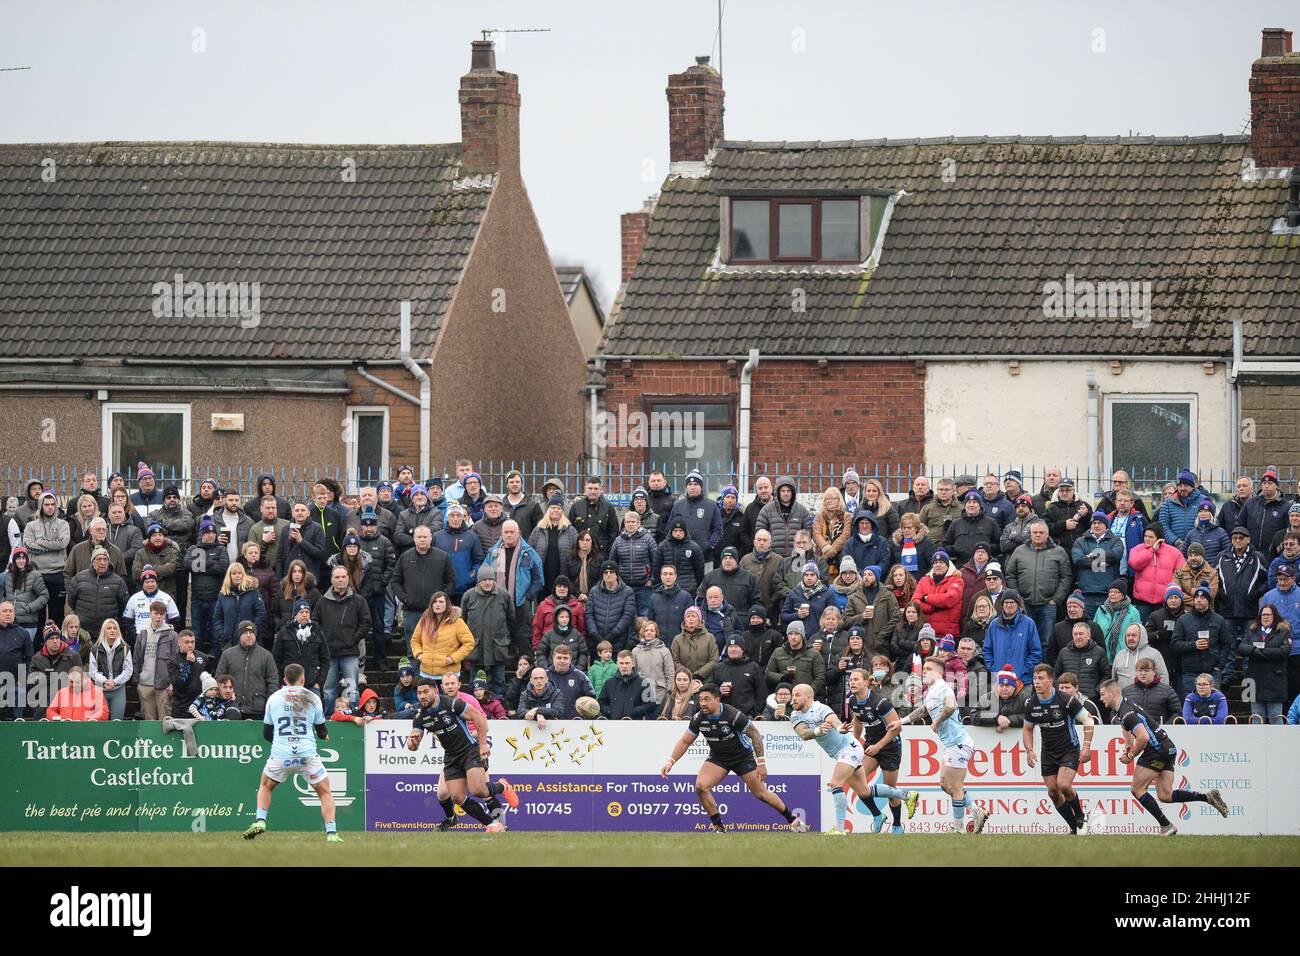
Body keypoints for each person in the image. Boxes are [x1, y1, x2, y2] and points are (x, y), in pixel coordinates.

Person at [660, 684, 810, 833]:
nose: (703, 703)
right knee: (700, 786)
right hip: (719, 758)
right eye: (700, 700)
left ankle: (793, 821)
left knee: (761, 794)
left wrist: (761, 763)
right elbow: (685, 741)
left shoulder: (733, 715)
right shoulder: (698, 718)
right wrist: (670, 761)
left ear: (717, 699)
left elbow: (755, 735)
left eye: (707, 699)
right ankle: (719, 828)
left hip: (742, 758)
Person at [1097, 679, 1229, 836]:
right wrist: (1127, 745)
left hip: (1156, 750)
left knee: (1137, 789)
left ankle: (1166, 826)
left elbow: (1143, 737)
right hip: (1168, 747)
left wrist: (1131, 755)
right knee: (1165, 795)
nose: (1101, 698)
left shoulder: (1126, 712)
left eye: (1103, 694)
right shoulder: (1124, 706)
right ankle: (1207, 797)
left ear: (1112, 694)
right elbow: (1126, 727)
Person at [791, 682, 918, 835]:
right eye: (792, 696)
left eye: (797, 695)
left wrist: (839, 728)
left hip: (849, 748)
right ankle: (905, 795)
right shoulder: (795, 714)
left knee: (836, 784)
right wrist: (818, 730)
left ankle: (839, 828)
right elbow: (803, 734)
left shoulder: (820, 708)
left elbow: (833, 720)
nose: (793, 699)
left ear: (809, 696)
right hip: (840, 752)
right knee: (864, 791)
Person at [242, 663, 341, 842]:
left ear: (285, 679)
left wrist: (282, 744)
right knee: (325, 793)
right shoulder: (312, 697)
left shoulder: (273, 698)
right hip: (307, 755)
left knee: (265, 786)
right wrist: (325, 736)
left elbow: (266, 733)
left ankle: (260, 821)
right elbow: (321, 731)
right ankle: (332, 833)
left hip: (281, 755)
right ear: (303, 679)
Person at [898, 657, 989, 834]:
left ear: (939, 672)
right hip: (952, 744)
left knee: (954, 786)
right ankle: (977, 811)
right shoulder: (932, 690)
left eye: (928, 668)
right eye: (923, 668)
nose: (924, 671)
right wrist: (902, 721)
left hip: (959, 743)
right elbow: (924, 710)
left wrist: (937, 722)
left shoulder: (943, 687)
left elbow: (952, 706)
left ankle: (958, 828)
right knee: (945, 785)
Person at [1021, 664, 1095, 835]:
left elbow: (1088, 720)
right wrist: (1029, 750)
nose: (1036, 682)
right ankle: (1073, 828)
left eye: (1041, 678)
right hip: (1048, 753)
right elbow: (1027, 729)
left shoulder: (1066, 700)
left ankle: (1081, 816)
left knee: (1063, 785)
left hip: (1069, 749)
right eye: (1034, 678)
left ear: (1050, 681)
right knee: (1053, 793)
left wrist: (1086, 746)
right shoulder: (1031, 703)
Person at [847, 664, 913, 833]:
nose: (851, 682)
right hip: (870, 745)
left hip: (889, 746)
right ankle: (877, 815)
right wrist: (855, 740)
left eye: (855, 679)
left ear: (866, 682)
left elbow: (897, 728)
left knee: (890, 792)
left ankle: (897, 825)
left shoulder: (880, 702)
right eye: (850, 679)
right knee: (854, 779)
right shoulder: (853, 701)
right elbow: (857, 720)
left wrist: (879, 746)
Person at [1005, 519, 1071, 647]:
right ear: (1030, 534)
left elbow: (1066, 577)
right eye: (1035, 532)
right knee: (1024, 640)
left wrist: (1056, 599)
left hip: (1048, 605)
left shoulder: (1059, 552)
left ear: (1047, 534)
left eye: (1041, 532)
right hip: (1025, 604)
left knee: (1047, 641)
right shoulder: (1019, 551)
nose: (1038, 535)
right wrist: (1018, 598)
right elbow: (1010, 574)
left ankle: (1045, 667)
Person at [484, 520, 545, 656]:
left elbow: (539, 579)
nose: (509, 535)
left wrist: (528, 597)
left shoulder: (529, 553)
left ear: (518, 533)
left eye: (512, 532)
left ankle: (526, 671)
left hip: (521, 603)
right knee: (498, 637)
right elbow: (484, 575)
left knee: (523, 638)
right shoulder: (493, 553)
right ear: (502, 534)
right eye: (506, 532)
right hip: (497, 602)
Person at [461, 564, 514, 697]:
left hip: (498, 647)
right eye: (484, 580)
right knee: (475, 684)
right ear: (478, 581)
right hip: (476, 647)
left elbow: (510, 617)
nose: (488, 582)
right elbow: (463, 619)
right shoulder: (468, 595)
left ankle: (498, 709)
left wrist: (504, 637)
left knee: (499, 682)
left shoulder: (504, 595)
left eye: (490, 579)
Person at [1170, 585, 1229, 696]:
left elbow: (1226, 645)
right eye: (1196, 597)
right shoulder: (1183, 620)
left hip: (1212, 671)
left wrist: (1219, 665)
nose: (1199, 600)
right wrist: (1193, 645)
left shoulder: (1219, 620)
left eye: (1202, 598)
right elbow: (1175, 644)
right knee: (1192, 706)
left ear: (1209, 601)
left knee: (1213, 706)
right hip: (1190, 672)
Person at [1238, 604, 1292, 723]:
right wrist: (1254, 650)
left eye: (1268, 614)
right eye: (1263, 614)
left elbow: (1283, 652)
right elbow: (1241, 648)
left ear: (1275, 616)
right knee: (1256, 719)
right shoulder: (1252, 630)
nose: (1265, 617)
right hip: (1254, 681)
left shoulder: (1283, 632)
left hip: (1274, 682)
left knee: (1275, 718)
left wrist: (1260, 651)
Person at [23, 492, 71, 626]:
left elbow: (62, 543)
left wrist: (40, 541)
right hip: (37, 574)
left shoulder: (63, 524)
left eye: (52, 504)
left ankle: (57, 645)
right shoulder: (31, 526)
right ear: (41, 506)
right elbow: (27, 545)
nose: (50, 507)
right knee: (38, 614)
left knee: (57, 614)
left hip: (57, 575)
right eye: (47, 504)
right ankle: (38, 645)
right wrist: (51, 546)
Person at [216, 621, 279, 720]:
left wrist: (269, 704)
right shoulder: (227, 655)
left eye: (251, 633)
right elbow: (219, 678)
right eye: (245, 633)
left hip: (258, 710)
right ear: (239, 635)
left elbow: (273, 682)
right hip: (232, 708)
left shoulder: (267, 656)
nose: (249, 636)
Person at [131, 601, 178, 719]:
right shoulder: (142, 634)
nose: (159, 616)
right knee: (149, 722)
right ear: (150, 614)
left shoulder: (172, 635)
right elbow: (136, 659)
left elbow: (177, 661)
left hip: (164, 685)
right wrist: (138, 680)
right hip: (145, 684)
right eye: (156, 613)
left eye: (162, 614)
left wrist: (173, 682)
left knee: (165, 720)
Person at [273, 598, 329, 697]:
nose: (304, 614)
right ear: (295, 614)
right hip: (289, 685)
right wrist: (281, 680)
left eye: (307, 612)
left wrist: (319, 683)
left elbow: (325, 659)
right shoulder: (284, 631)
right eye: (301, 612)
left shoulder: (317, 632)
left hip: (312, 685)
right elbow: (276, 658)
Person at [1071, 514, 1124, 618]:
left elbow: (1116, 555)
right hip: (1086, 594)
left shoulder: (1115, 541)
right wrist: (1103, 562)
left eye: (1100, 523)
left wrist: (1093, 555)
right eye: (1094, 523)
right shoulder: (1080, 541)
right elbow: (1078, 560)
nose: (1096, 525)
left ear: (1106, 526)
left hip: (1107, 595)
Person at [983, 590, 1041, 685]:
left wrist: (1024, 669)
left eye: (1012, 602)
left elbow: (1036, 652)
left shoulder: (1028, 623)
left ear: (1018, 604)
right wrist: (993, 667)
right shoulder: (994, 624)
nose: (1009, 605)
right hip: (999, 680)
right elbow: (987, 650)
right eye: (1006, 602)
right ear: (1002, 604)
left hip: (1022, 681)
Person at [609, 509, 657, 616]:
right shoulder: (618, 541)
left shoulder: (648, 539)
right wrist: (616, 581)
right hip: (623, 586)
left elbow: (656, 561)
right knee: (625, 615)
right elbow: (612, 563)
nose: (630, 524)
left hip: (644, 586)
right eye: (628, 522)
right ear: (624, 523)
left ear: (639, 523)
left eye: (633, 522)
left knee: (644, 616)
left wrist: (652, 580)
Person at [756, 476, 813, 558]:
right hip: (772, 558)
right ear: (778, 492)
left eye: (788, 491)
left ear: (793, 492)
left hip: (797, 557)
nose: (786, 494)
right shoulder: (767, 510)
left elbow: (808, 534)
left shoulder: (802, 511)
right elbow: (760, 533)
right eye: (783, 491)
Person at [765, 620, 825, 698]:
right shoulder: (778, 652)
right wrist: (782, 677)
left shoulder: (814, 654)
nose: (793, 637)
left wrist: (808, 693)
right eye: (790, 634)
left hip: (805, 699)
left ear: (802, 635)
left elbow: (820, 677)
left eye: (796, 634)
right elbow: (768, 673)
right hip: (784, 698)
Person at [88, 619, 133, 720]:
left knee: (117, 722)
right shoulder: (95, 649)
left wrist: (115, 682)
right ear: (104, 631)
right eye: (109, 628)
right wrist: (105, 680)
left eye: (115, 628)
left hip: (118, 689)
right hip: (100, 690)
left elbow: (128, 671)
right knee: (101, 723)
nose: (112, 630)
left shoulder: (125, 648)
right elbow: (92, 671)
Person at [1054, 621, 1108, 704]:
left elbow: (1106, 675)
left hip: (1091, 700)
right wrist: (1062, 691)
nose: (1078, 637)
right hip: (1067, 700)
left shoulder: (1099, 652)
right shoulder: (1063, 652)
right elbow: (1056, 675)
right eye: (1075, 634)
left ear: (1088, 635)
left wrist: (1096, 691)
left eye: (1081, 634)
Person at [943, 491, 1000, 566]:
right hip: (961, 565)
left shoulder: (991, 522)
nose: (971, 505)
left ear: (979, 505)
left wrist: (987, 549)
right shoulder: (956, 524)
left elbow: (999, 545)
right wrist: (956, 549)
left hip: (985, 566)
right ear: (965, 505)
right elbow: (945, 545)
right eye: (969, 502)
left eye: (974, 502)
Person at [4, 546, 47, 640]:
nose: (21, 561)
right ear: (14, 560)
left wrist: (29, 608)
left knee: (26, 651)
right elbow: (4, 595)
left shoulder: (35, 575)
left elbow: (44, 596)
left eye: (23, 558)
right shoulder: (8, 576)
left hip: (28, 621)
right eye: (18, 558)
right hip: (11, 622)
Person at [569, 476, 620, 556]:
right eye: (590, 488)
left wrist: (608, 555)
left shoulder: (608, 508)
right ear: (585, 489)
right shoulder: (576, 507)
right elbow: (570, 531)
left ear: (601, 490)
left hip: (601, 554)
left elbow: (614, 533)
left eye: (596, 489)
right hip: (580, 554)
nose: (593, 491)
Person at [168, 629, 213, 720]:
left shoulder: (203, 658)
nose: (190, 645)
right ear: (179, 643)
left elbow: (210, 679)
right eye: (186, 642)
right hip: (181, 707)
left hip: (200, 706)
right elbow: (178, 684)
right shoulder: (173, 661)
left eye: (192, 642)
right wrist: (189, 664)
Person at [1121, 657, 1182, 724]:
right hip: (1133, 732)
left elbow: (1177, 713)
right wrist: (1124, 726)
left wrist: (1164, 728)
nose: (1143, 673)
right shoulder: (1127, 691)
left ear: (1154, 672)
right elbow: (1115, 712)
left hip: (1159, 732)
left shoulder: (1167, 690)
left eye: (1147, 670)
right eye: (1140, 670)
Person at [599, 649, 656, 720]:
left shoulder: (643, 683)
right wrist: (610, 711)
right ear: (617, 663)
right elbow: (601, 702)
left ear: (632, 663)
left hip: (635, 725)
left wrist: (632, 711)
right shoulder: (609, 683)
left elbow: (651, 705)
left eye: (627, 663)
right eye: (621, 663)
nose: (624, 666)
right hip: (613, 724)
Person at [1111, 623, 1169, 691]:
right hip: (1124, 699)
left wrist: (1159, 696)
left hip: (1148, 699)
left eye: (1134, 635)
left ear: (1142, 636)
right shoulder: (1119, 655)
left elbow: (1163, 678)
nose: (1130, 638)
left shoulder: (1154, 654)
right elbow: (1114, 680)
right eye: (1128, 635)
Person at [544, 643, 594, 718]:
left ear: (570, 658)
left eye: (565, 658)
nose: (562, 661)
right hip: (548, 723)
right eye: (559, 658)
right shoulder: (544, 675)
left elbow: (591, 700)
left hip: (574, 723)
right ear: (553, 658)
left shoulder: (580, 676)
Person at [631, 618, 674, 705]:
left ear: (656, 633)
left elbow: (670, 673)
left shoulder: (664, 651)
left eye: (652, 630)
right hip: (640, 692)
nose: (649, 632)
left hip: (659, 693)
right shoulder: (635, 651)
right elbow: (633, 672)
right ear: (643, 632)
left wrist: (668, 691)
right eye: (646, 630)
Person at [44, 665, 108, 721]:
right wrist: (60, 719)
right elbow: (50, 711)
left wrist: (86, 721)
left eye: (77, 682)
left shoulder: (97, 693)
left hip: (87, 730)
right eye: (71, 681)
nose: (74, 684)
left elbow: (103, 712)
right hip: (64, 731)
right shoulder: (61, 692)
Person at [536, 604, 587, 670]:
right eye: (561, 617)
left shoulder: (577, 634)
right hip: (553, 672)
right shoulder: (549, 635)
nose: (564, 619)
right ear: (556, 618)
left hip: (573, 672)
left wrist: (579, 668)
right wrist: (546, 668)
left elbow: (583, 653)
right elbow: (541, 653)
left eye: (567, 617)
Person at [918, 477, 961, 545]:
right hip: (932, 547)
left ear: (953, 490)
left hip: (955, 547)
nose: (943, 492)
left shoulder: (962, 508)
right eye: (941, 489)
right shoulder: (927, 508)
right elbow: (918, 527)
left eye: (947, 490)